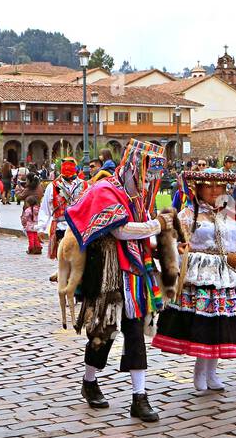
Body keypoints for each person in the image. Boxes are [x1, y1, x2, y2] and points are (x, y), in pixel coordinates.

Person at [65, 139, 170, 422]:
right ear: (133, 166)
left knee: (134, 331)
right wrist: (156, 225)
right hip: (107, 273)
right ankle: (89, 381)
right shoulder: (105, 190)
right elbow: (121, 231)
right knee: (103, 332)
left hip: (135, 272)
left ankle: (139, 397)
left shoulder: (139, 197)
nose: (149, 180)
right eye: (146, 172)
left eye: (153, 175)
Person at [153, 170, 236, 392]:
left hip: (228, 276)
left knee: (221, 327)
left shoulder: (234, 216)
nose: (214, 191)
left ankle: (212, 372)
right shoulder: (187, 215)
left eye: (219, 187)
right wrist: (179, 251)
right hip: (200, 277)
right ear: (198, 189)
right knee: (204, 325)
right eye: (208, 186)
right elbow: (172, 245)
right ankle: (200, 371)